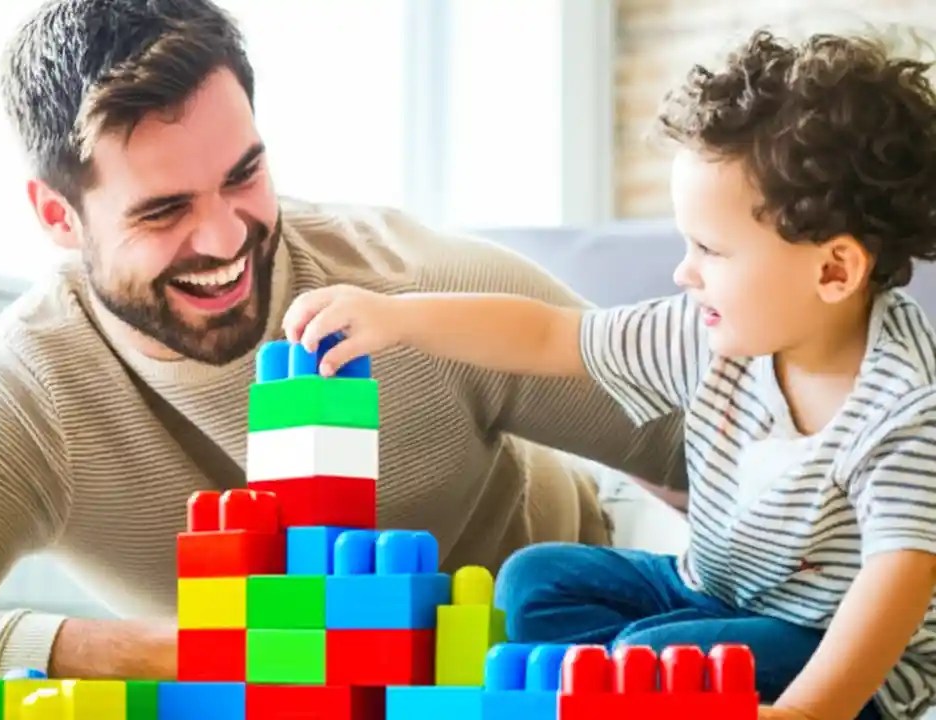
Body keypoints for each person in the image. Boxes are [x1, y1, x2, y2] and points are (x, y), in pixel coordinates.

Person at [0, 0, 686, 683]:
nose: (224, 239)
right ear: (58, 216)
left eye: (245, 175)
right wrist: (179, 655)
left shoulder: (410, 286)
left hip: (578, 617)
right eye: (164, 210)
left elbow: (713, 440)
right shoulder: (33, 392)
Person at [284, 29, 936, 720]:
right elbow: (549, 336)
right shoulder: (706, 332)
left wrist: (808, 712)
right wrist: (398, 317)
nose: (684, 273)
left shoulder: (904, 412)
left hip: (839, 655)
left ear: (833, 270)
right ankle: (625, 687)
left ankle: (643, 682)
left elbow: (897, 579)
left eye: (710, 250)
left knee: (651, 656)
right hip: (709, 591)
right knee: (535, 581)